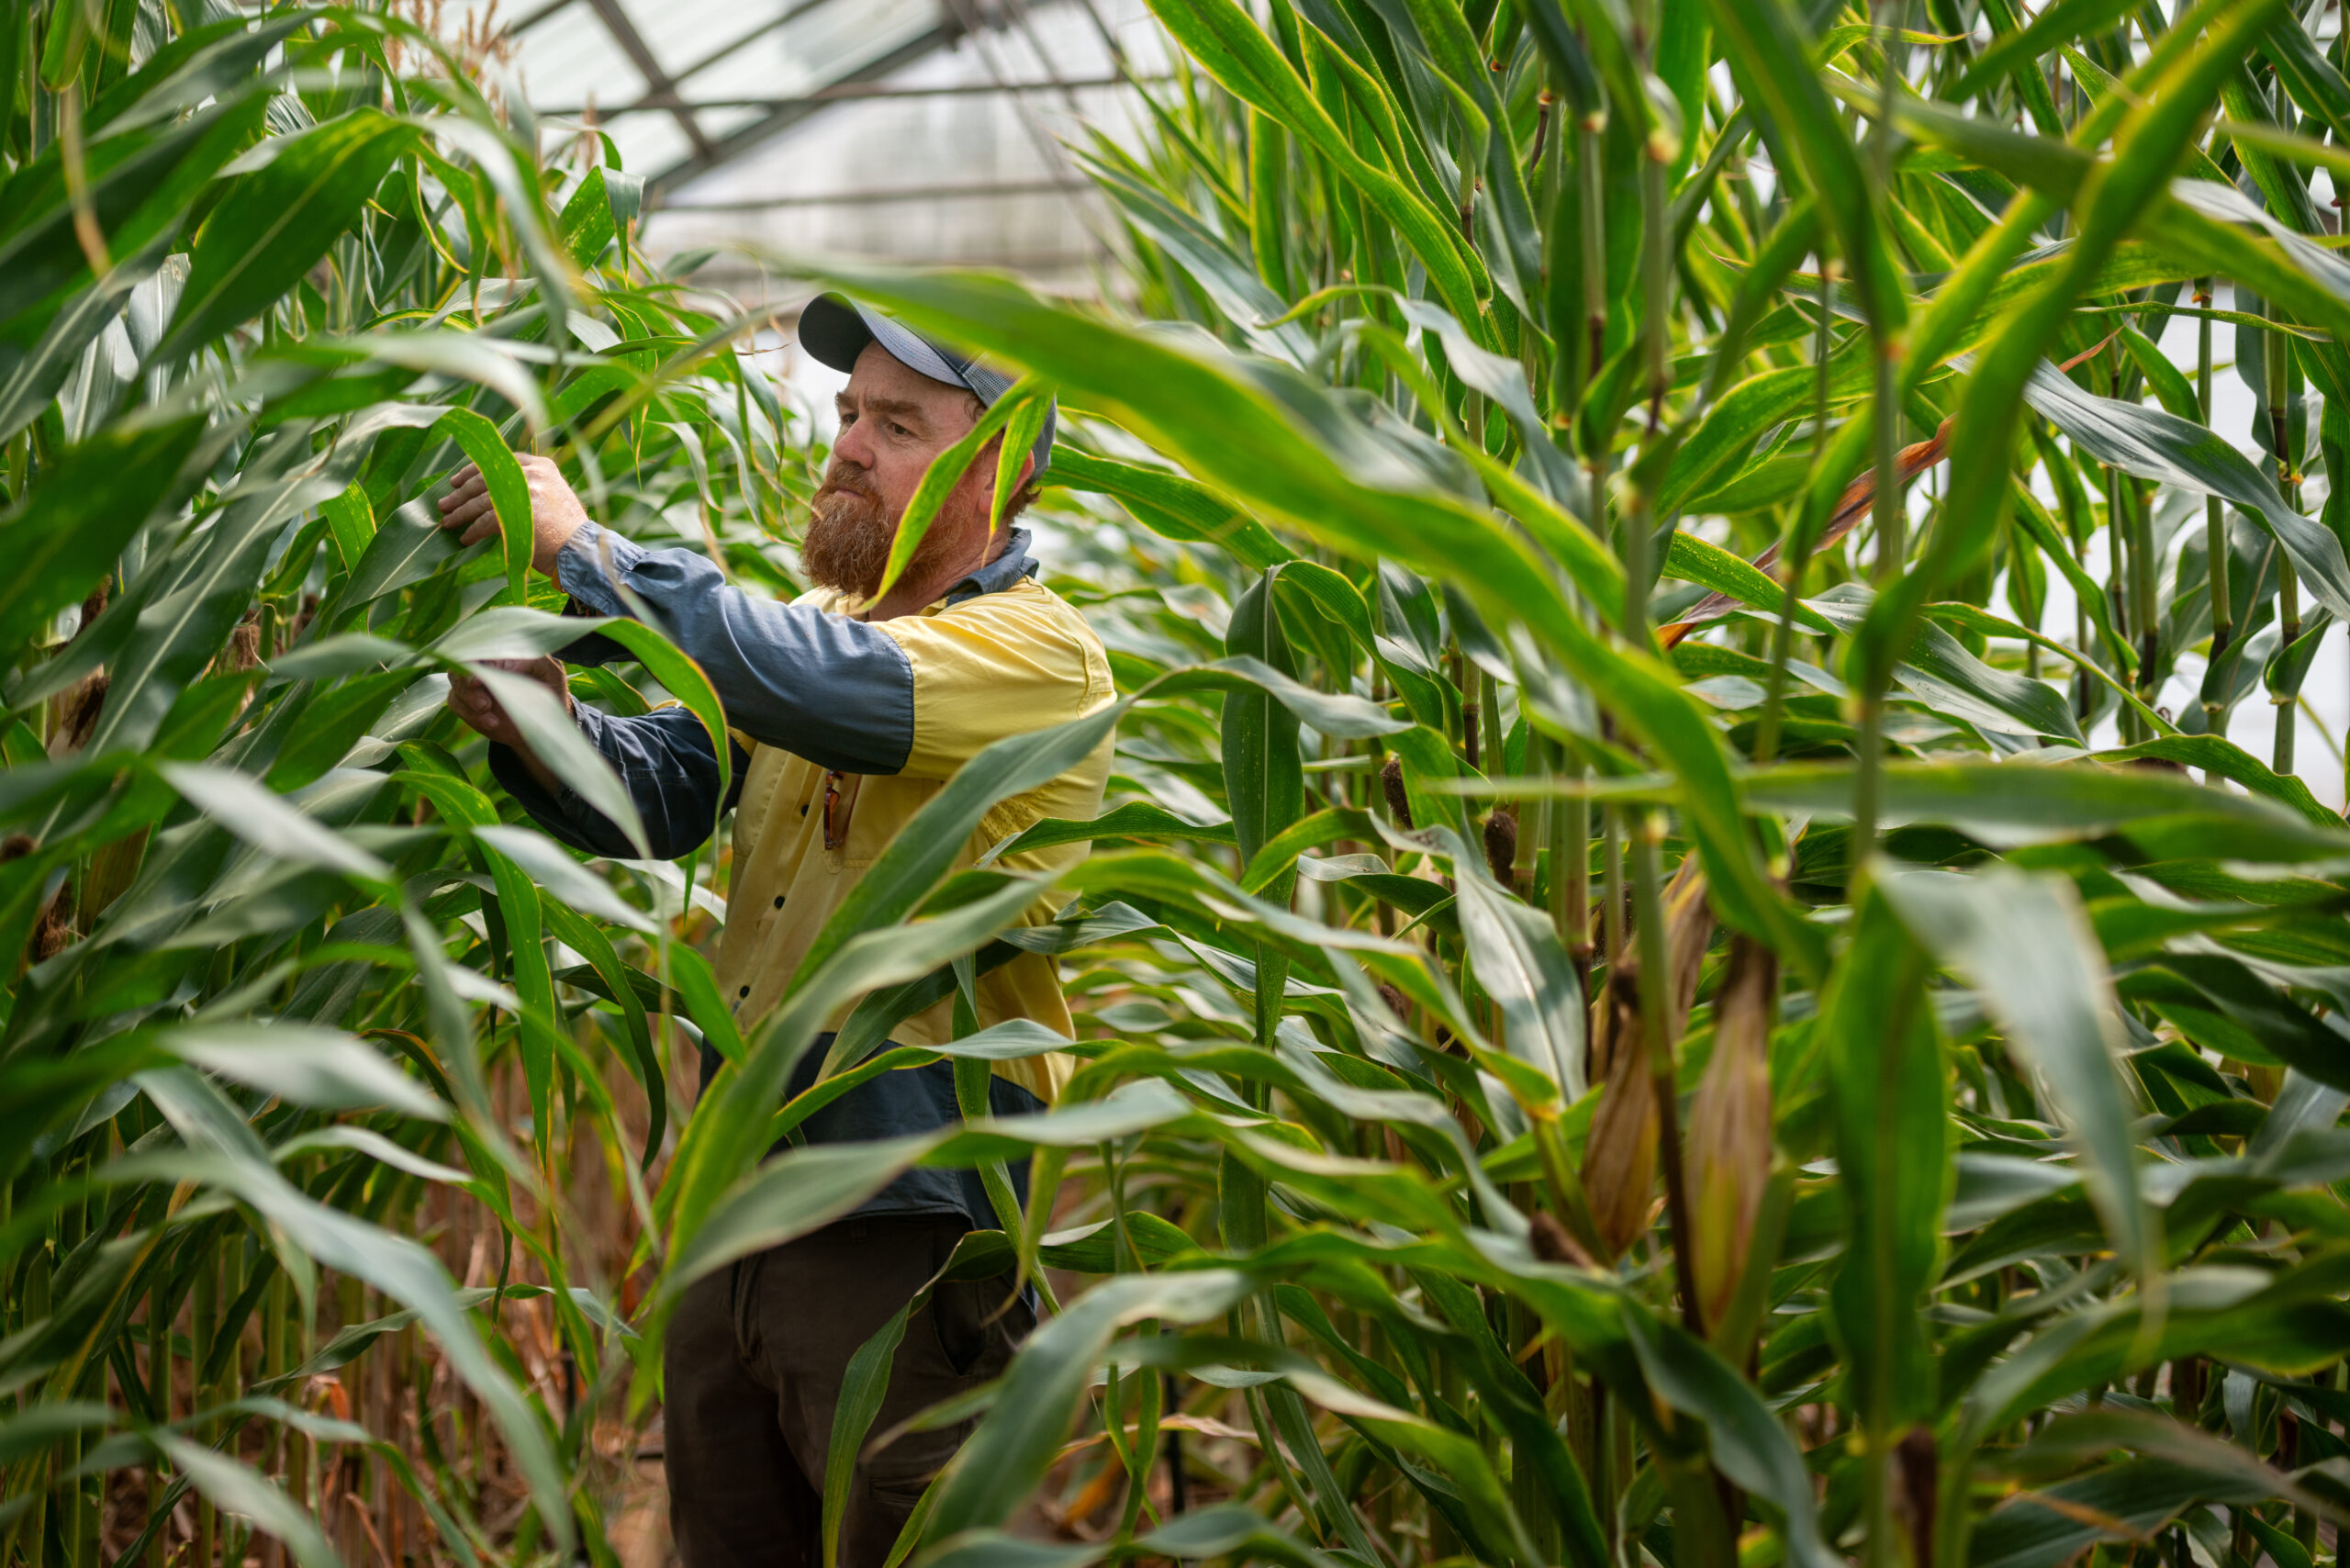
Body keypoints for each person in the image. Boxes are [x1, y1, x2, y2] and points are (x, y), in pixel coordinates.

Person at [435, 296, 1114, 1568]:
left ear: (1003, 469)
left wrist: (589, 550)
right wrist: (542, 725)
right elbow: (668, 790)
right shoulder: (836, 632)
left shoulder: (1040, 656)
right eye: (850, 413)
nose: (849, 444)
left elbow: (809, 685)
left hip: (901, 1231)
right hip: (737, 1201)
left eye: (898, 424)